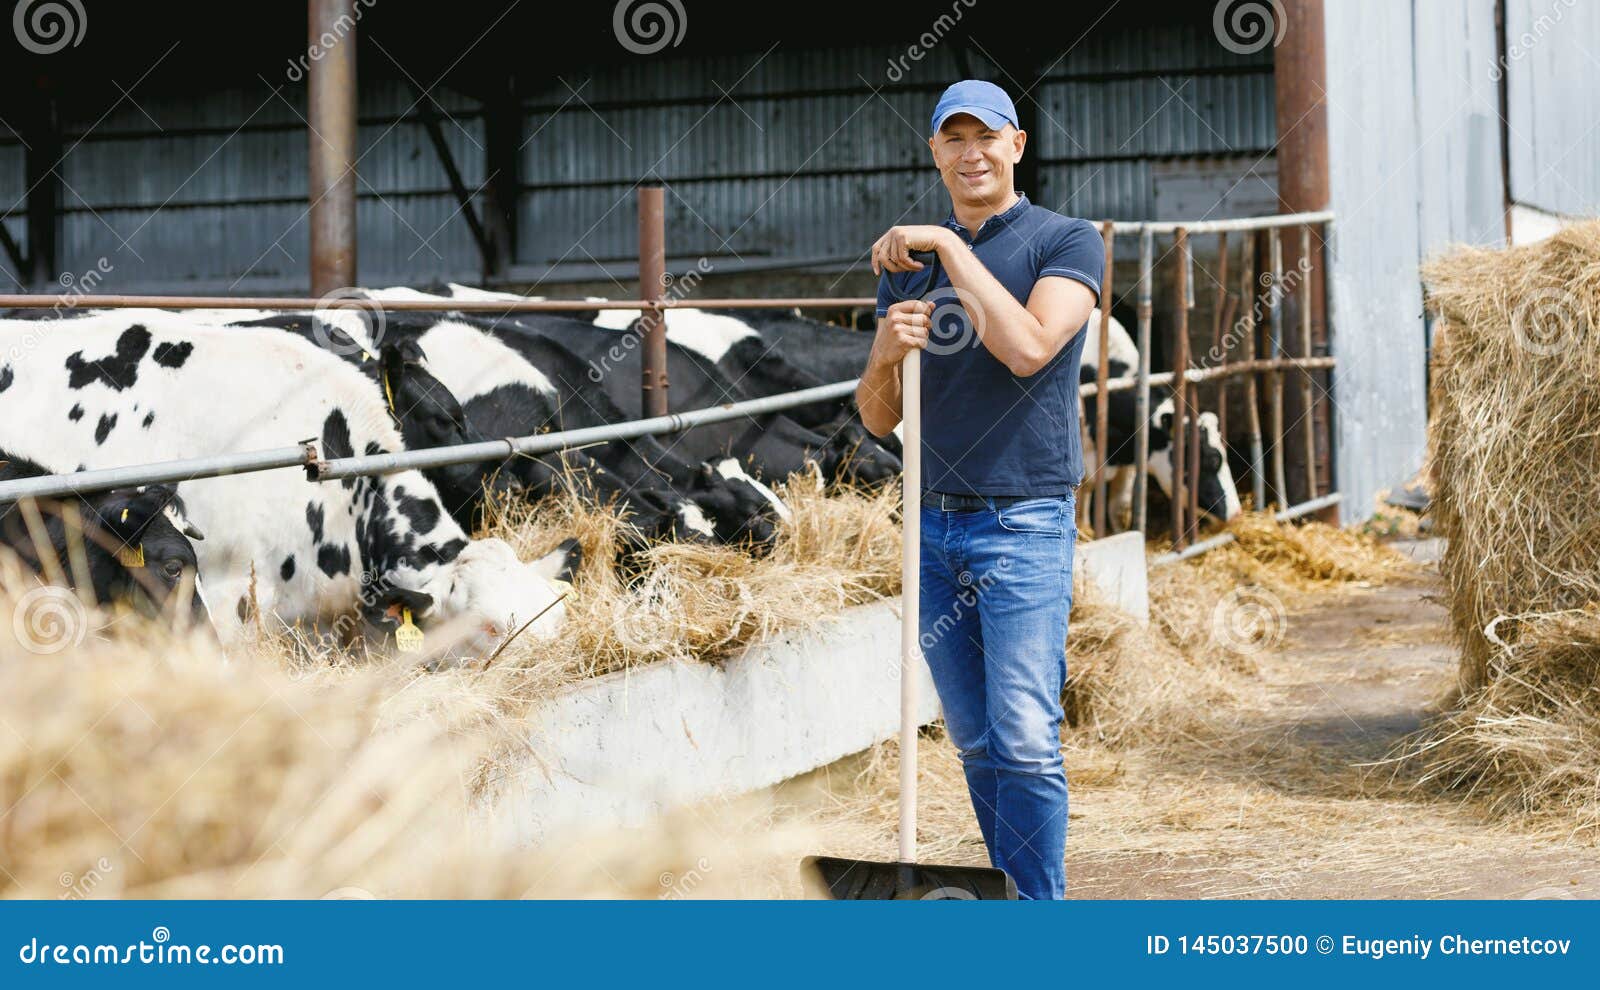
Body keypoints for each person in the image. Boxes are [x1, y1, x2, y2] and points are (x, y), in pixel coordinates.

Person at [855, 79, 1103, 900]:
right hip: (930, 528)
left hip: (1023, 522)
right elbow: (876, 419)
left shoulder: (1065, 241)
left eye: (986, 137)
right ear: (935, 151)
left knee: (1026, 739)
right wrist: (888, 353)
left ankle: (1040, 914)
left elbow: (1030, 346)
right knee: (975, 741)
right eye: (953, 140)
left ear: (1016, 146)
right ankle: (1009, 898)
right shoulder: (907, 268)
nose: (971, 154)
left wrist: (952, 250)